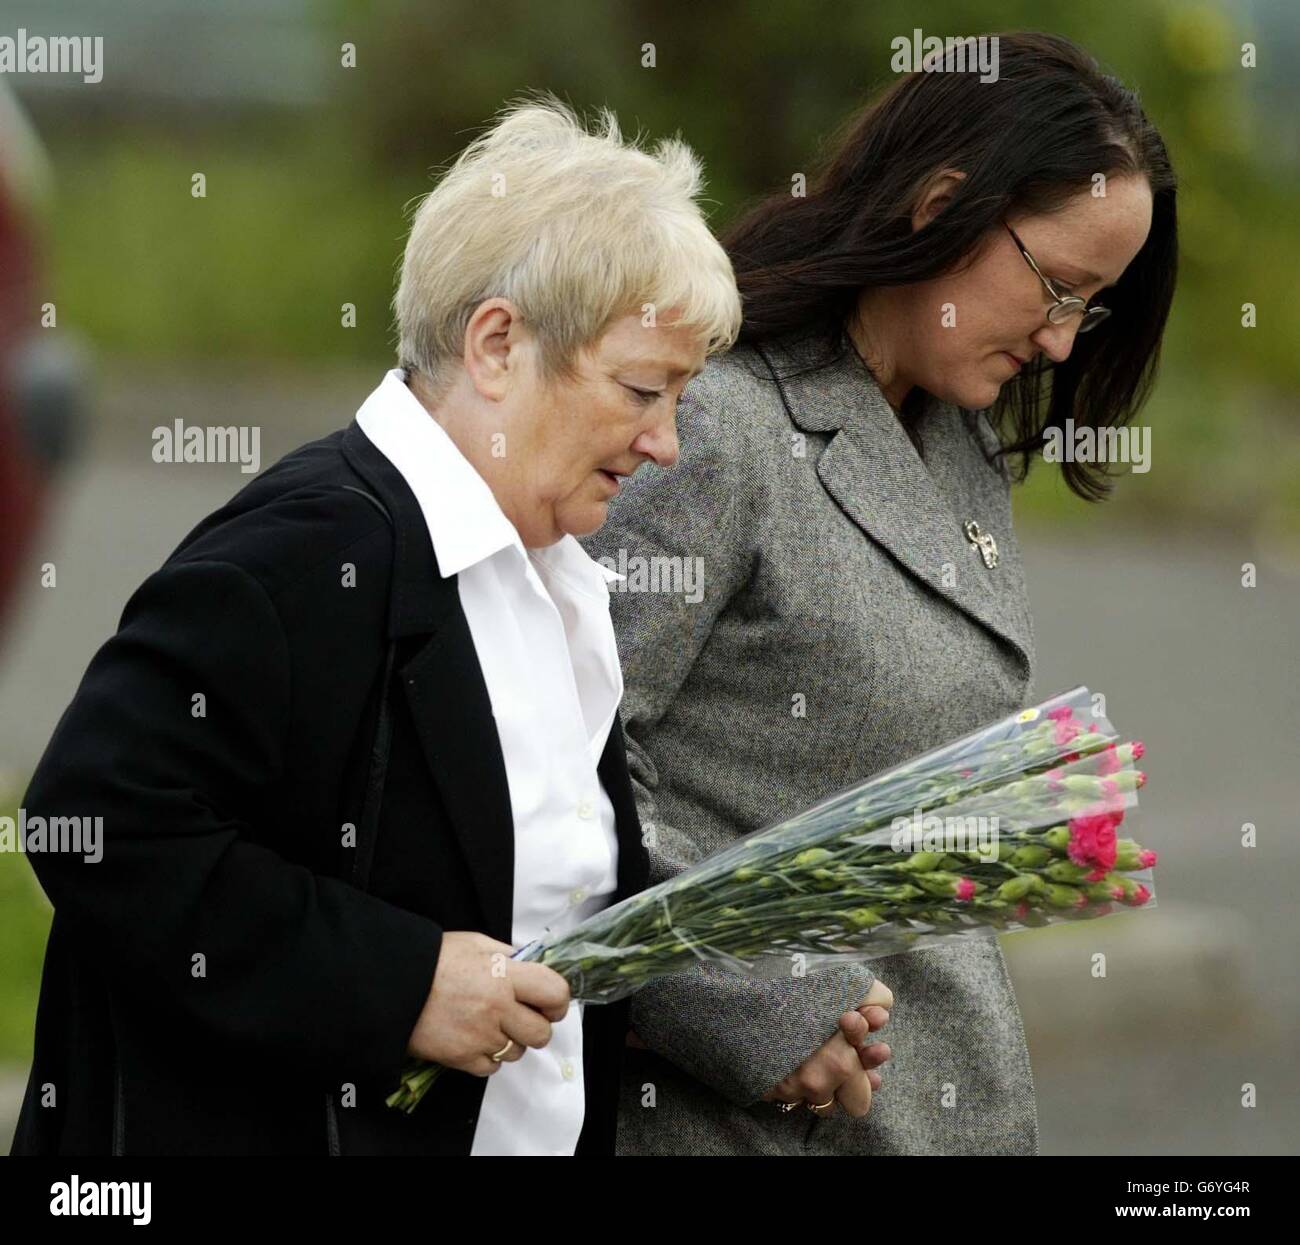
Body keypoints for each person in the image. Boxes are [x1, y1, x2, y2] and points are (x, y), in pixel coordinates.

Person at [10, 94, 741, 1156]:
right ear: (497, 345)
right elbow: (94, 820)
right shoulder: (308, 547)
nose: (665, 442)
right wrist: (400, 985)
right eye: (641, 390)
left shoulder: (546, 569)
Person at [581, 31, 1176, 1155]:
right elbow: (571, 768)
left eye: (1088, 308)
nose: (1058, 340)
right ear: (939, 203)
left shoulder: (951, 434)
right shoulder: (715, 424)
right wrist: (750, 1007)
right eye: (1055, 287)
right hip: (742, 1117)